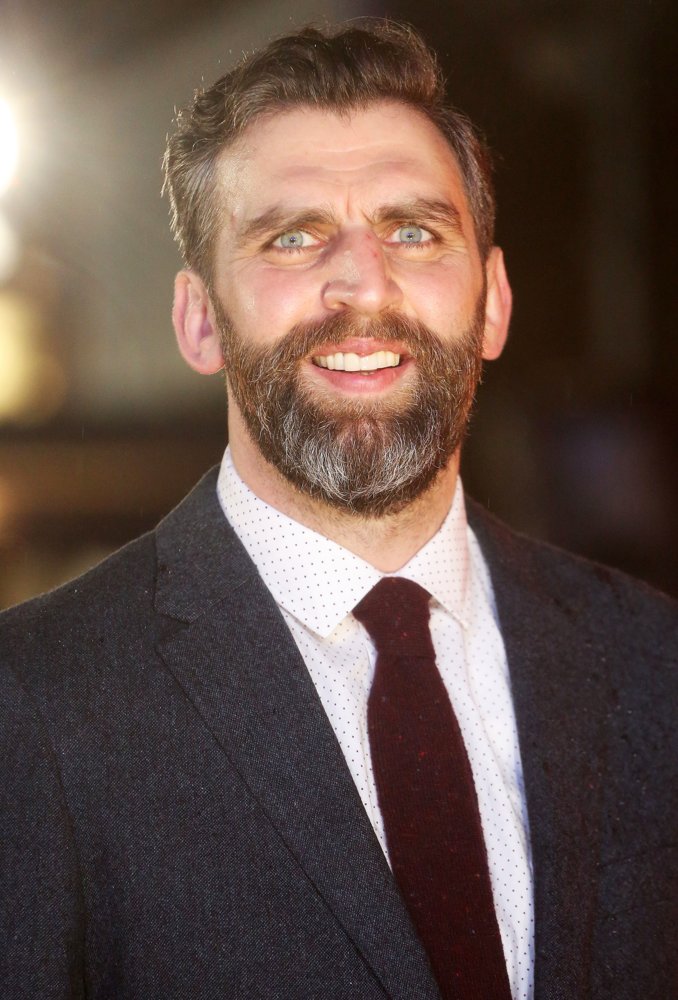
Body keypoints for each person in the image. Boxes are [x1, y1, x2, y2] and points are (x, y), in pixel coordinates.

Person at [1, 20, 675, 1000]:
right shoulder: (33, 705)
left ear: (493, 301)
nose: (363, 284)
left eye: (414, 231)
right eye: (294, 236)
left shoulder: (655, 664)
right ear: (199, 319)